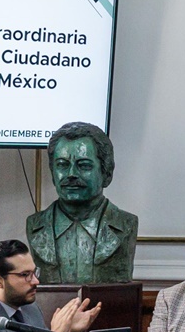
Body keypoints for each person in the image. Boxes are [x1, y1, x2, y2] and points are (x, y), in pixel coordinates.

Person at [26, 121, 139, 283]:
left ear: (106, 173)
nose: (71, 174)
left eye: (84, 165)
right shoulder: (35, 225)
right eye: (62, 165)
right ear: (52, 173)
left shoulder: (126, 223)